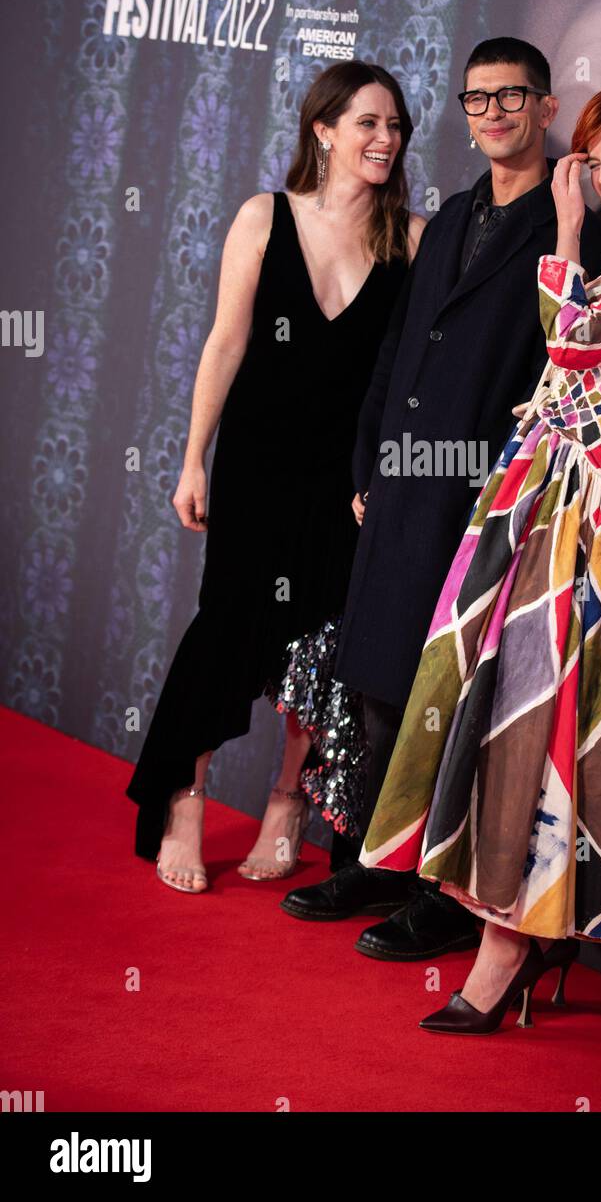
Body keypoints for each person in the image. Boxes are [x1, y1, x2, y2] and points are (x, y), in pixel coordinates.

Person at [359, 86, 601, 1034]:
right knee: (492, 717)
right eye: (594, 162)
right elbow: (559, 369)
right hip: (533, 500)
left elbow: (566, 342)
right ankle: (513, 936)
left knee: (541, 727)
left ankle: (504, 953)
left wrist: (560, 231)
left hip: (595, 519)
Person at [280, 38, 601, 954]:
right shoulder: (451, 214)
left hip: (489, 493)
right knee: (382, 676)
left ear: (547, 110)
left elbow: (576, 353)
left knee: (459, 688)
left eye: (512, 98)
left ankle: (444, 894)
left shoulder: (569, 218)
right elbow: (400, 347)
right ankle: (375, 865)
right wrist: (366, 464)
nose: (493, 114)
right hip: (398, 486)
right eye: (477, 100)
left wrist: (510, 482)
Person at [125, 61, 425, 892]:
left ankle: (288, 802)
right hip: (257, 459)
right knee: (227, 624)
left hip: (345, 477)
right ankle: (186, 797)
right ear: (322, 130)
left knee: (320, 639)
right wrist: (192, 457)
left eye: (395, 126)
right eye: (367, 122)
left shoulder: (413, 238)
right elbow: (224, 344)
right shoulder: (265, 216)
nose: (384, 139)